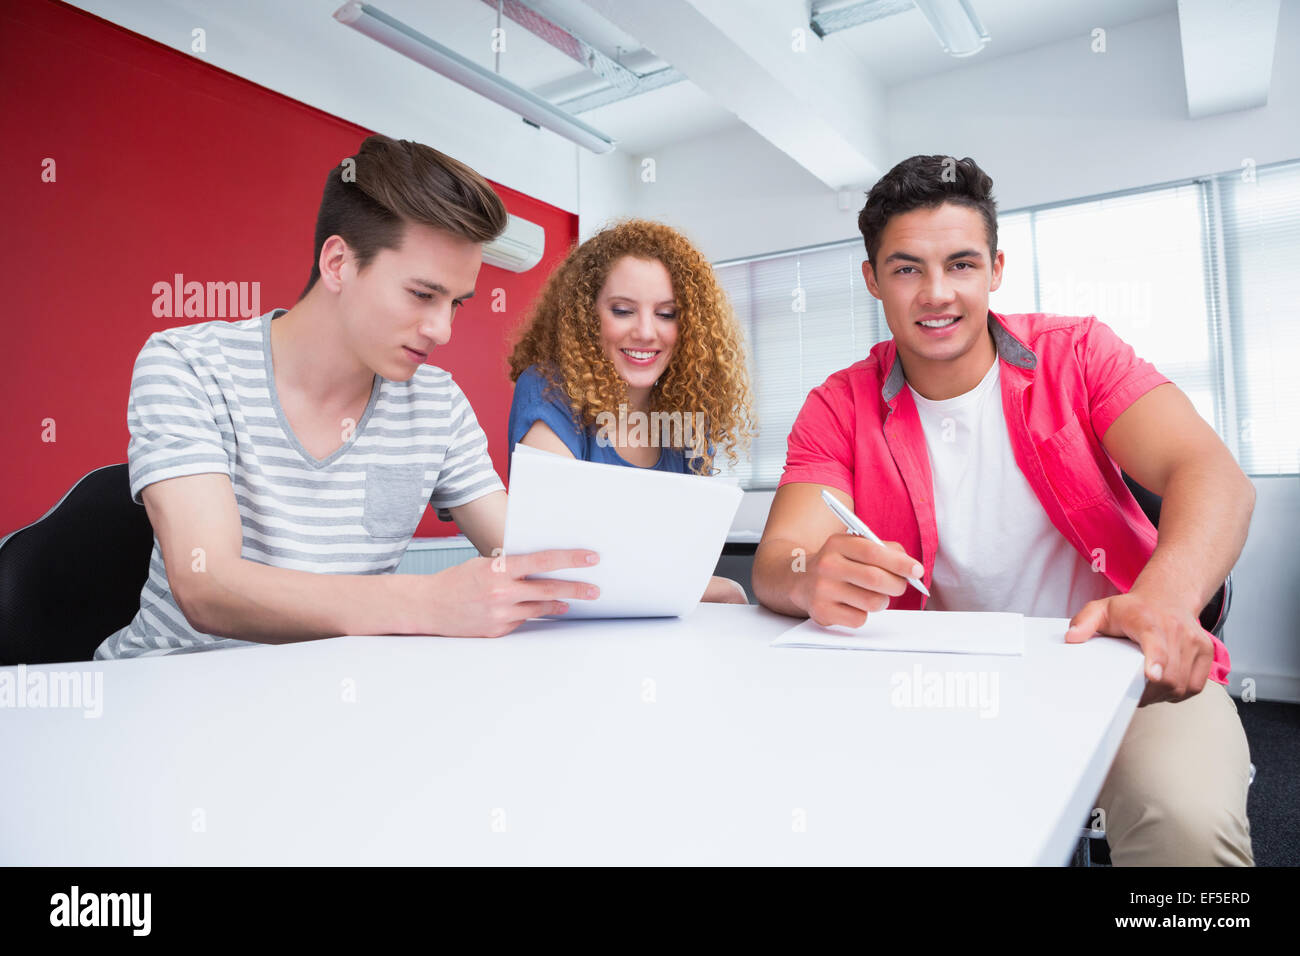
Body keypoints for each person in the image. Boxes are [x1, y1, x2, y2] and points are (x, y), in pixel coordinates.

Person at [751, 154, 1255, 865]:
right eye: (905, 269)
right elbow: (780, 559)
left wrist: (1166, 601)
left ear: (995, 269)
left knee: (1186, 822)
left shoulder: (1077, 353)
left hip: (1123, 675)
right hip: (936, 689)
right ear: (872, 280)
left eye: (961, 264)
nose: (936, 294)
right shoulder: (839, 403)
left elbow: (1213, 475)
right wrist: (808, 577)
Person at [95, 134, 598, 659]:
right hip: (169, 692)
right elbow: (208, 587)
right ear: (338, 263)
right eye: (423, 294)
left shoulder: (438, 406)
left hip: (334, 696)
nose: (442, 330)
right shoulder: (189, 365)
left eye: (457, 303)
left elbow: (535, 560)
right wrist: (426, 601)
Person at [507, 219, 755, 604]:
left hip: (651, 622)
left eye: (667, 314)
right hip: (562, 623)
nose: (644, 331)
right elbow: (556, 558)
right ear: (587, 317)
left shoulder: (687, 425)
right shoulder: (548, 389)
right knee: (730, 592)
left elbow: (683, 559)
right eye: (622, 310)